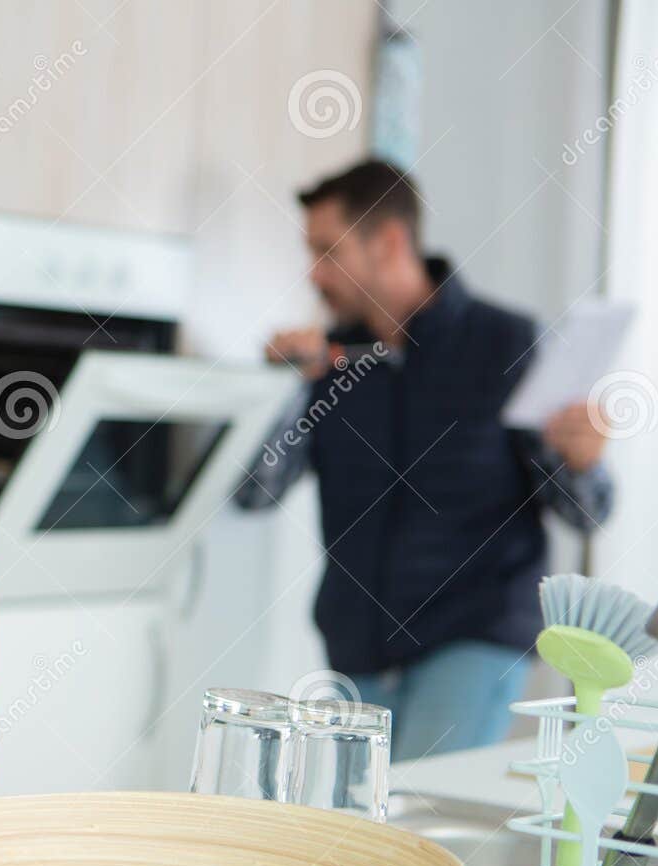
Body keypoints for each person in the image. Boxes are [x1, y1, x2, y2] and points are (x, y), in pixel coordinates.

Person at [235, 159, 613, 761]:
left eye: (328, 252)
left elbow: (584, 513)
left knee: (414, 830)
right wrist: (281, 389)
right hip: (355, 650)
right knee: (359, 841)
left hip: (472, 638)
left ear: (388, 242)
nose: (314, 275)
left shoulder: (506, 343)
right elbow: (254, 493)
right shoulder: (333, 362)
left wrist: (584, 462)